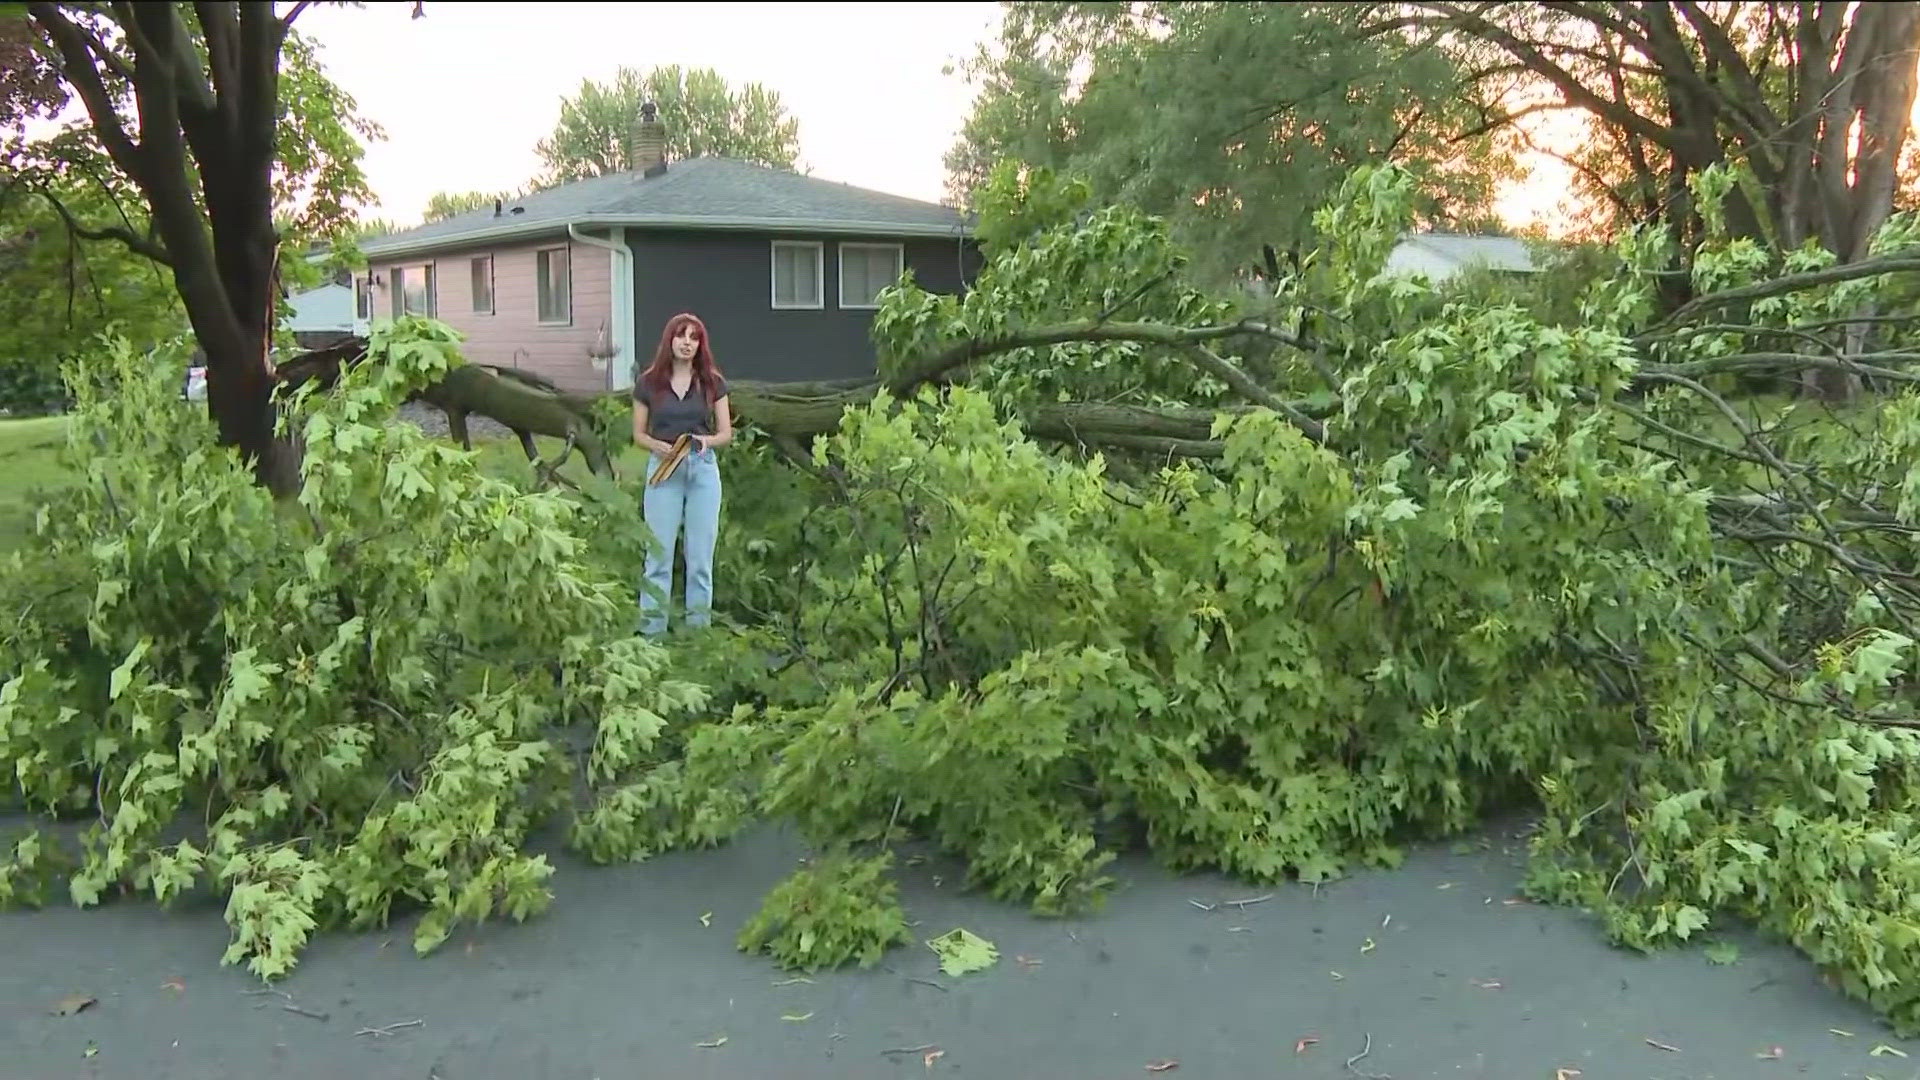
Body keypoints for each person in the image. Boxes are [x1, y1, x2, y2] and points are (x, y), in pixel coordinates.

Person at [631, 313, 733, 636]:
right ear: (669, 340)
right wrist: (657, 446)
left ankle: (696, 639)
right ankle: (651, 640)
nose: (687, 342)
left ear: (700, 345)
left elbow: (726, 433)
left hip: (701, 470)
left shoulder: (713, 383)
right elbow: (638, 435)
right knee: (658, 556)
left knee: (700, 559)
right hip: (663, 470)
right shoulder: (648, 384)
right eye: (681, 336)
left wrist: (706, 440)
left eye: (694, 337)